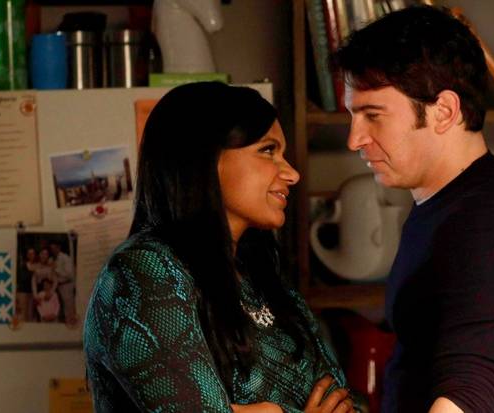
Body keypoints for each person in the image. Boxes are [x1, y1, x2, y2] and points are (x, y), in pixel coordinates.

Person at [335, 6, 494, 413]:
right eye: (353, 116)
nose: (355, 139)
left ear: (444, 111)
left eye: (373, 116)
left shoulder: (486, 230)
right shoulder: (449, 205)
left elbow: (466, 396)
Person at [83, 82, 356, 412]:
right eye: (268, 151)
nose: (292, 174)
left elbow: (342, 401)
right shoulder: (142, 272)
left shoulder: (261, 277)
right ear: (205, 158)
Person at [50, 242, 76, 325]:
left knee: (68, 306)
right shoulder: (53, 259)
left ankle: (70, 324)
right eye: (51, 249)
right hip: (58, 286)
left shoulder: (65, 258)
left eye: (54, 248)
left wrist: (56, 269)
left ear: (59, 247)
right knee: (60, 308)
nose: (53, 250)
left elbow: (69, 274)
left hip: (66, 285)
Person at [31, 248, 58, 322]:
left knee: (50, 313)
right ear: (39, 255)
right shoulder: (35, 266)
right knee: (40, 315)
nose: (44, 256)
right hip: (39, 292)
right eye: (42, 253)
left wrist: (51, 292)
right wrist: (35, 296)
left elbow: (55, 281)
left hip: (49, 292)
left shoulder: (51, 266)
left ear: (48, 256)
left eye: (46, 254)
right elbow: (33, 281)